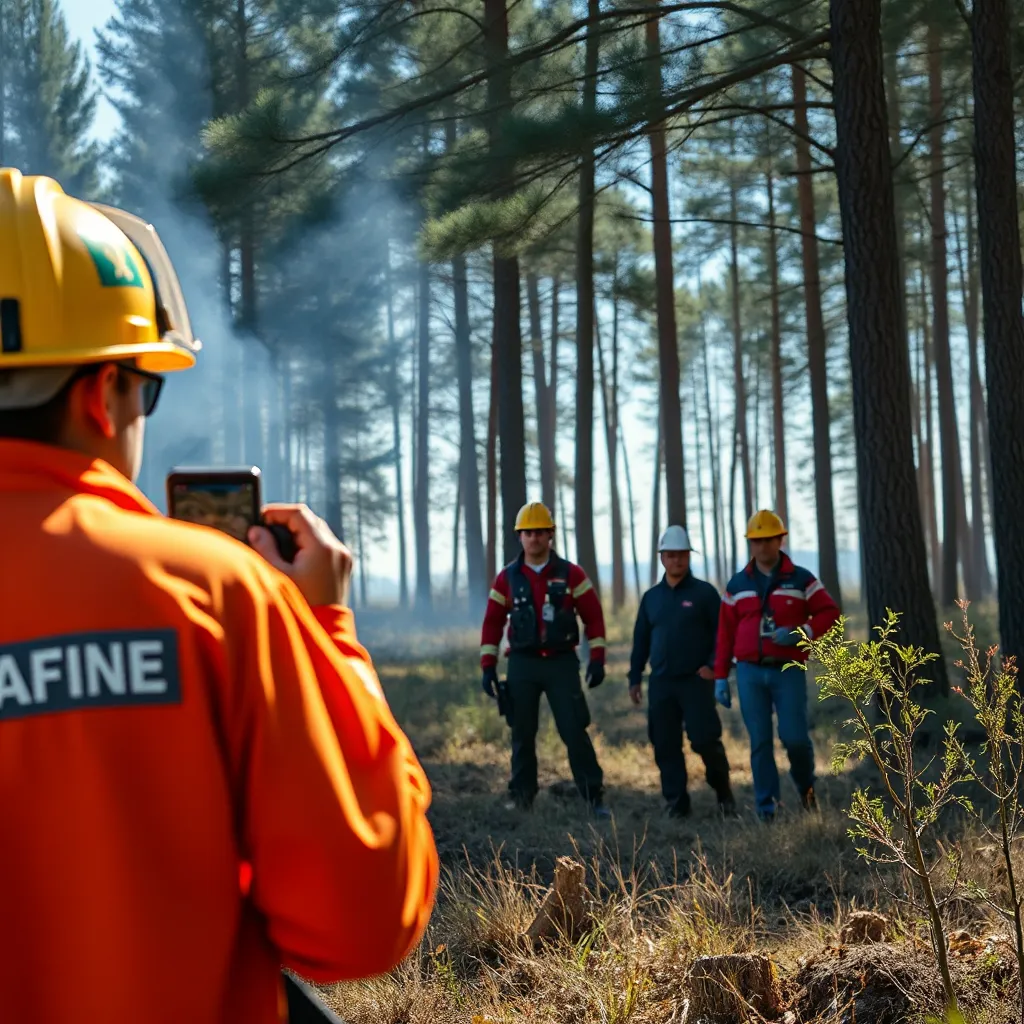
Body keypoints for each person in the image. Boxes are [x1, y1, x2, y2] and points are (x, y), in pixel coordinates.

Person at [0, 168, 438, 1023]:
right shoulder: (211, 593)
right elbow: (362, 922)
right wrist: (323, 631)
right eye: (146, 388)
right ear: (103, 393)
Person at [479, 501, 610, 817]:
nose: (534, 538)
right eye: (528, 533)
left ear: (551, 535)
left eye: (540, 532)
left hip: (561, 664)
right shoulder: (506, 579)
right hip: (522, 665)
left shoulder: (571, 574)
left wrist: (597, 658)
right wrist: (488, 666)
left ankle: (594, 797)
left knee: (573, 729)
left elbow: (593, 617)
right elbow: (493, 623)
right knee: (522, 733)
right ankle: (522, 796)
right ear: (519, 537)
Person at [714, 510, 840, 822]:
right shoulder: (737, 584)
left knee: (794, 737)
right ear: (750, 544)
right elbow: (725, 632)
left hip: (788, 671)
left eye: (768, 539)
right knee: (759, 742)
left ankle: (806, 791)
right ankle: (766, 810)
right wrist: (720, 677)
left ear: (780, 539)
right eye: (756, 541)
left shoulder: (801, 578)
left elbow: (829, 613)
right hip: (748, 673)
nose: (762, 546)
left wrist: (803, 633)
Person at [628, 525, 735, 818]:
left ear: (689, 556)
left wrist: (715, 666)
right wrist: (635, 676)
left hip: (696, 682)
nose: (677, 561)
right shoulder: (651, 598)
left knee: (704, 739)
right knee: (664, 743)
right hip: (661, 682)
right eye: (671, 555)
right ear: (662, 557)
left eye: (682, 555)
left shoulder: (704, 594)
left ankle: (724, 793)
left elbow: (722, 634)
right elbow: (641, 640)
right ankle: (676, 803)